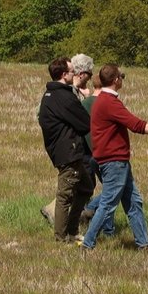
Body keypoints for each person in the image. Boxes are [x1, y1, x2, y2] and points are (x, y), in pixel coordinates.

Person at [78, 64, 148, 252]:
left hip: (117, 161)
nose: (122, 79)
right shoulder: (109, 102)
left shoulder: (102, 99)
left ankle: (144, 244)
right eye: (121, 76)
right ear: (116, 80)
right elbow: (136, 125)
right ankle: (87, 244)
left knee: (134, 202)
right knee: (108, 204)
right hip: (114, 162)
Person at [38, 57, 95, 241]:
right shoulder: (64, 97)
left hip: (64, 151)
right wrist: (86, 99)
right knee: (64, 196)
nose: (75, 74)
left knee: (85, 188)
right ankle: (61, 237)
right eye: (72, 71)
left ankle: (72, 229)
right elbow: (85, 123)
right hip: (68, 153)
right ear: (64, 75)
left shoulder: (49, 95)